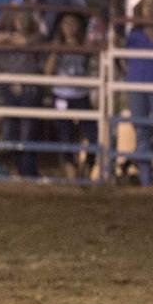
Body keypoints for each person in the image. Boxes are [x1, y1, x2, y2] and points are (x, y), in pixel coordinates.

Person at [123, 0, 153, 187]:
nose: (150, 9)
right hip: (137, 84)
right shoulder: (134, 33)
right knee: (141, 130)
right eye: (147, 6)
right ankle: (145, 179)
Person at [0, 8, 44, 178]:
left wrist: (12, 39)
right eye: (18, 17)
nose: (21, 20)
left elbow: (28, 41)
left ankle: (27, 170)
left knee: (27, 130)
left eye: (24, 16)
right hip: (9, 87)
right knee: (10, 130)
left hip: (29, 87)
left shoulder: (37, 37)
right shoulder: (5, 37)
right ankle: (17, 168)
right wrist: (10, 38)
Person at [43, 13, 96, 179]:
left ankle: (86, 168)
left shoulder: (85, 45)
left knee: (93, 134)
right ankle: (71, 172)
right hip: (62, 95)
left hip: (81, 95)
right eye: (66, 23)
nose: (70, 27)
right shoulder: (57, 47)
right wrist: (56, 52)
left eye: (73, 23)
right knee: (65, 136)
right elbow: (48, 72)